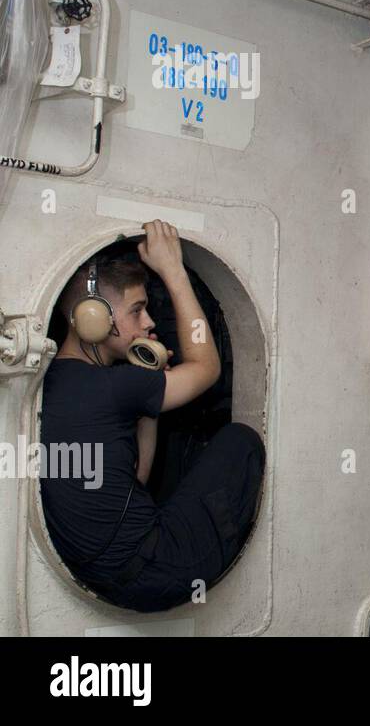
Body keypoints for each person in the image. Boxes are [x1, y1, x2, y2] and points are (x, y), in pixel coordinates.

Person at [39, 220, 265, 612]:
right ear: (94, 318)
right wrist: (174, 271)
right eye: (137, 310)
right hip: (161, 572)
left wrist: (151, 404)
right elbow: (206, 367)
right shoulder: (117, 387)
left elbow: (138, 476)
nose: (149, 323)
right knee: (240, 442)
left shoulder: (53, 381)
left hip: (111, 581)